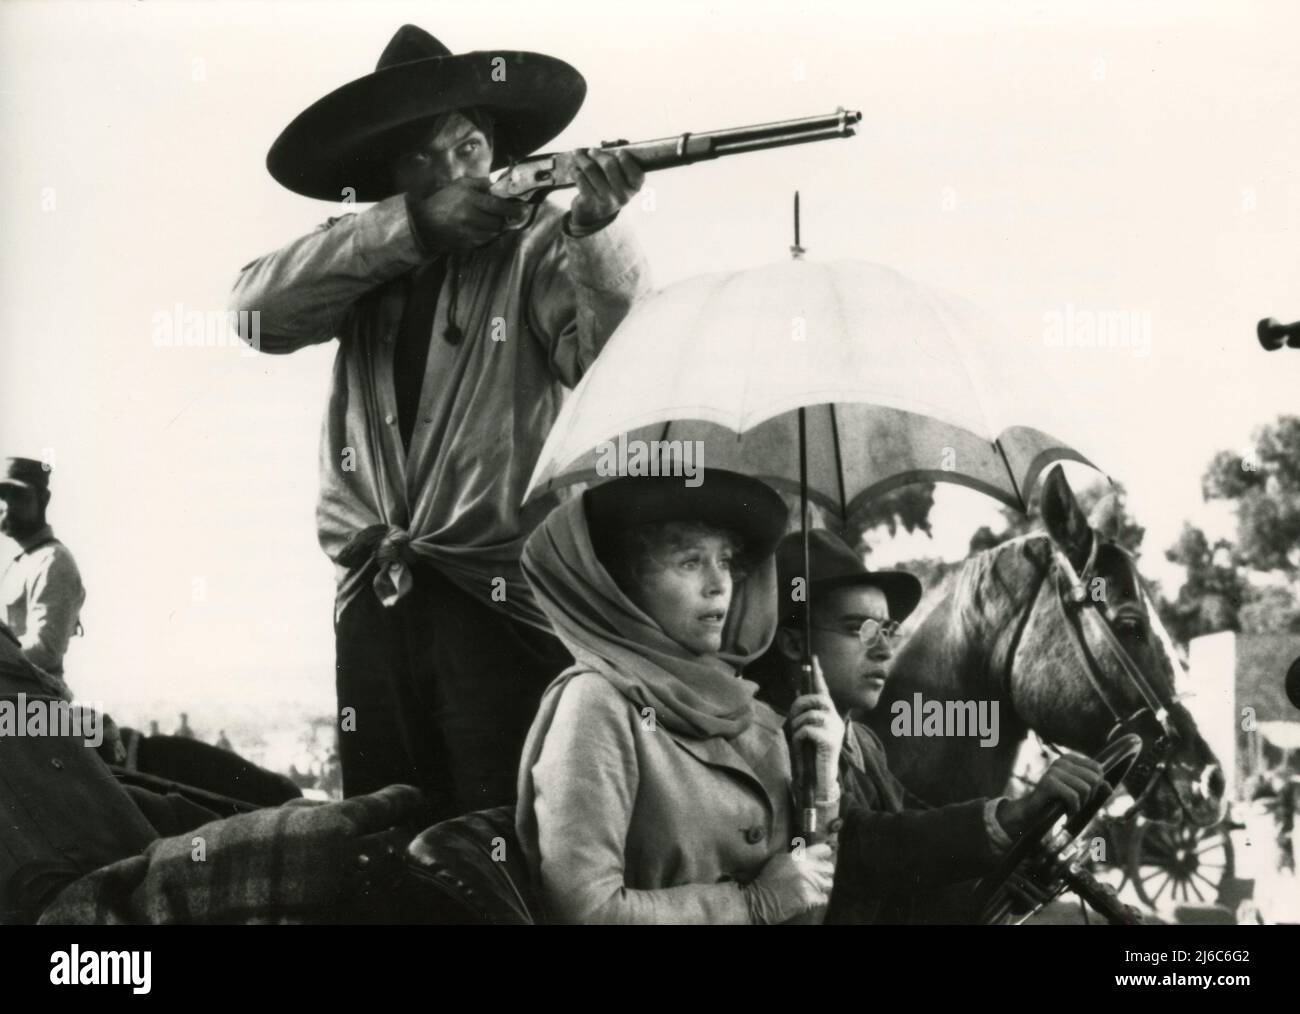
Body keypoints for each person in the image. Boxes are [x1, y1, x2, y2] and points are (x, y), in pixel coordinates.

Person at [228, 25, 650, 815]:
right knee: (384, 833)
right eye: (423, 158)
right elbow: (256, 315)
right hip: (375, 600)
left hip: (499, 597)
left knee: (501, 838)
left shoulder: (543, 247)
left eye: (466, 146)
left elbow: (608, 374)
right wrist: (413, 229)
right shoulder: (363, 254)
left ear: (493, 148)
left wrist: (599, 233)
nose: (456, 171)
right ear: (393, 175)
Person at [516, 472, 845, 924]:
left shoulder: (751, 715)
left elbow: (805, 909)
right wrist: (751, 906)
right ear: (628, 588)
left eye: (726, 562)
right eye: (690, 563)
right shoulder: (596, 702)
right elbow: (587, 912)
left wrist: (821, 785)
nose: (719, 584)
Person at [752, 529, 1109, 923]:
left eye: (887, 630)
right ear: (792, 644)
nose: (885, 650)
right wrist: (1012, 816)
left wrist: (1017, 860)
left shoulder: (865, 745)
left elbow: (914, 857)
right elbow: (872, 845)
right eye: (859, 629)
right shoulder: (770, 744)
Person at [0, 456, 85, 684]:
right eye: (2, 496)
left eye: (18, 495)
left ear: (43, 499)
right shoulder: (18, 562)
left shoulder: (54, 561)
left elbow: (45, 650)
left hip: (37, 705)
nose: (7, 506)